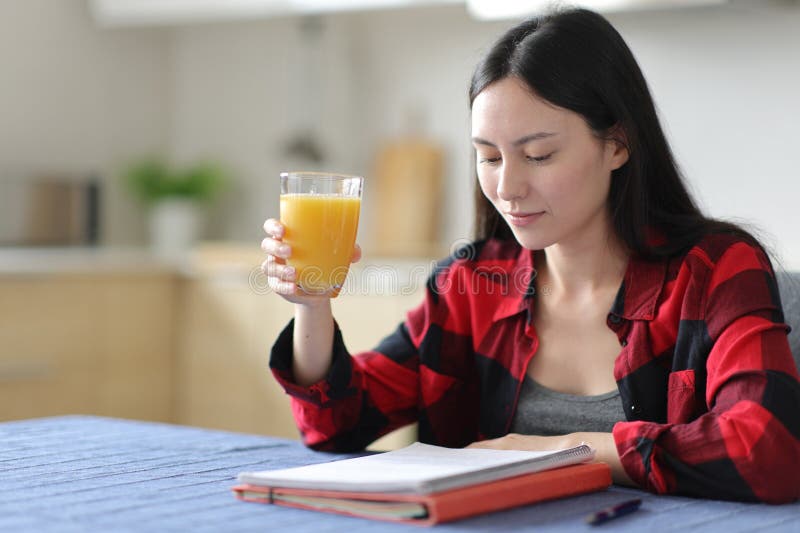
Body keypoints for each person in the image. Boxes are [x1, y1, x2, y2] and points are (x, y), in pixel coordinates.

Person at [260, 8, 800, 503]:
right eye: (488, 156)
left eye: (538, 155)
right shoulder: (471, 282)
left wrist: (558, 451)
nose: (508, 186)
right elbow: (334, 426)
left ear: (617, 144)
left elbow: (765, 448)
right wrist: (312, 306)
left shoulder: (715, 270)